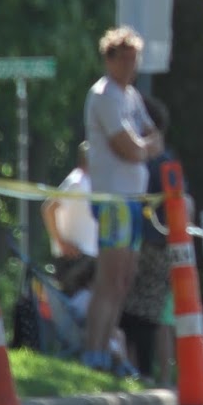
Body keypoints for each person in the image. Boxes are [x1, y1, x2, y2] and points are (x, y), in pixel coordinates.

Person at [82, 26, 162, 374]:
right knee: (109, 277)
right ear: (109, 59)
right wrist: (143, 148)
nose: (131, 67)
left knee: (125, 279)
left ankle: (108, 346)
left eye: (135, 60)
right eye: (125, 59)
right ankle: (93, 350)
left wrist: (143, 147)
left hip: (133, 199)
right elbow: (126, 146)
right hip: (113, 198)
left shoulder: (131, 97)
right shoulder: (104, 95)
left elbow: (153, 137)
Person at [120, 96, 177, 384]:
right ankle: (140, 370)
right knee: (140, 311)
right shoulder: (159, 160)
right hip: (146, 243)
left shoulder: (157, 162)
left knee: (144, 313)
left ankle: (143, 370)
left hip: (152, 244)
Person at [41, 141, 97, 297]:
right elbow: (49, 208)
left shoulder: (88, 182)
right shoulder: (76, 182)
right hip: (73, 259)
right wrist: (60, 242)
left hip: (86, 257)